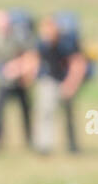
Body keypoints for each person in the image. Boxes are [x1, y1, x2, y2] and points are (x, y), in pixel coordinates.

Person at [23, 13, 89, 155]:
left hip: (65, 79)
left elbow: (77, 64)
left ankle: (72, 145)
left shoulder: (67, 43)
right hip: (48, 80)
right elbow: (34, 59)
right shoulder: (41, 43)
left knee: (68, 114)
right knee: (45, 111)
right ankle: (44, 146)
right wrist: (29, 75)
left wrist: (71, 84)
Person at [0, 8, 36, 152]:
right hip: (2, 81)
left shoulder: (19, 36)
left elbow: (29, 56)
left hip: (19, 80)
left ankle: (29, 140)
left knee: (25, 110)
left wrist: (19, 70)